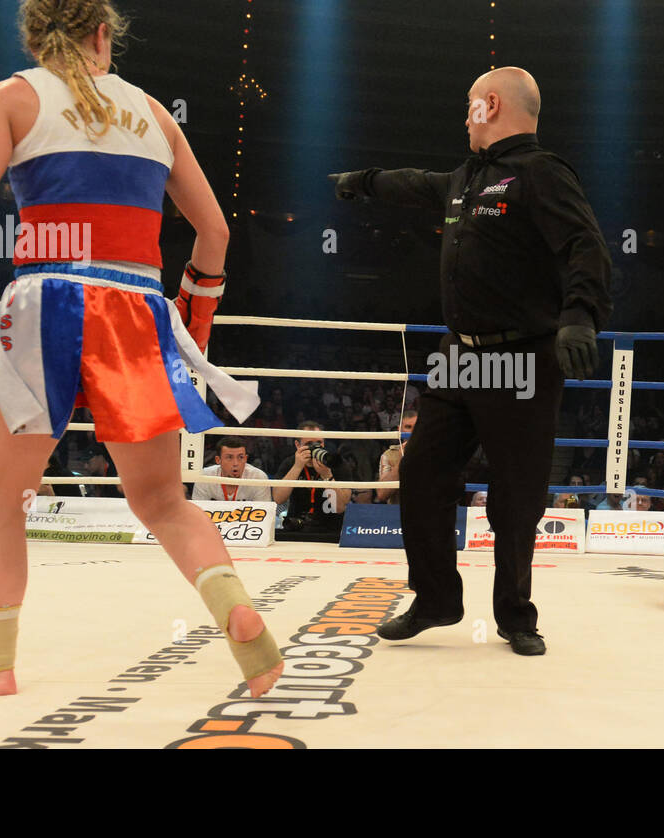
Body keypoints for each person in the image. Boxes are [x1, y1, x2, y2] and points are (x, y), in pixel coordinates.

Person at [0, 1, 281, 697]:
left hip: (46, 302)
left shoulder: (10, 98)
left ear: (35, 36)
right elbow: (213, 232)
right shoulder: (155, 114)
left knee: (4, 496)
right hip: (136, 308)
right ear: (104, 33)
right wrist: (192, 320)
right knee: (160, 500)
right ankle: (239, 615)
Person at [328, 66, 612, 656]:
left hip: (523, 357)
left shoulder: (541, 173)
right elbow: (416, 183)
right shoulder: (465, 177)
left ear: (490, 104)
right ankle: (434, 598)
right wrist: (364, 180)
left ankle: (515, 615)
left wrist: (579, 315)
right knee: (422, 472)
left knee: (516, 496)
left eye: (468, 104)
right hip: (459, 358)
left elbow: (585, 244)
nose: (463, 115)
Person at [273, 420, 351, 534]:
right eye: (309, 443)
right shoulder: (290, 463)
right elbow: (278, 499)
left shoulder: (337, 463)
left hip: (331, 529)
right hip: (296, 526)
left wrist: (327, 475)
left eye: (319, 442)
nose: (315, 447)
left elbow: (339, 507)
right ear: (297, 445)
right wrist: (297, 467)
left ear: (324, 444)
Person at [193, 436, 271, 503]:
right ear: (218, 460)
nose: (235, 463)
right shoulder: (205, 476)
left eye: (240, 457)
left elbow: (265, 516)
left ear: (246, 459)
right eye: (229, 457)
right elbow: (197, 514)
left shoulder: (259, 477)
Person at [375, 410, 417, 504]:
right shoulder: (389, 455)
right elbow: (382, 494)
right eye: (408, 427)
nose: (413, 431)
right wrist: (404, 458)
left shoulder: (434, 452)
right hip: (397, 513)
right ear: (400, 430)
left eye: (417, 427)